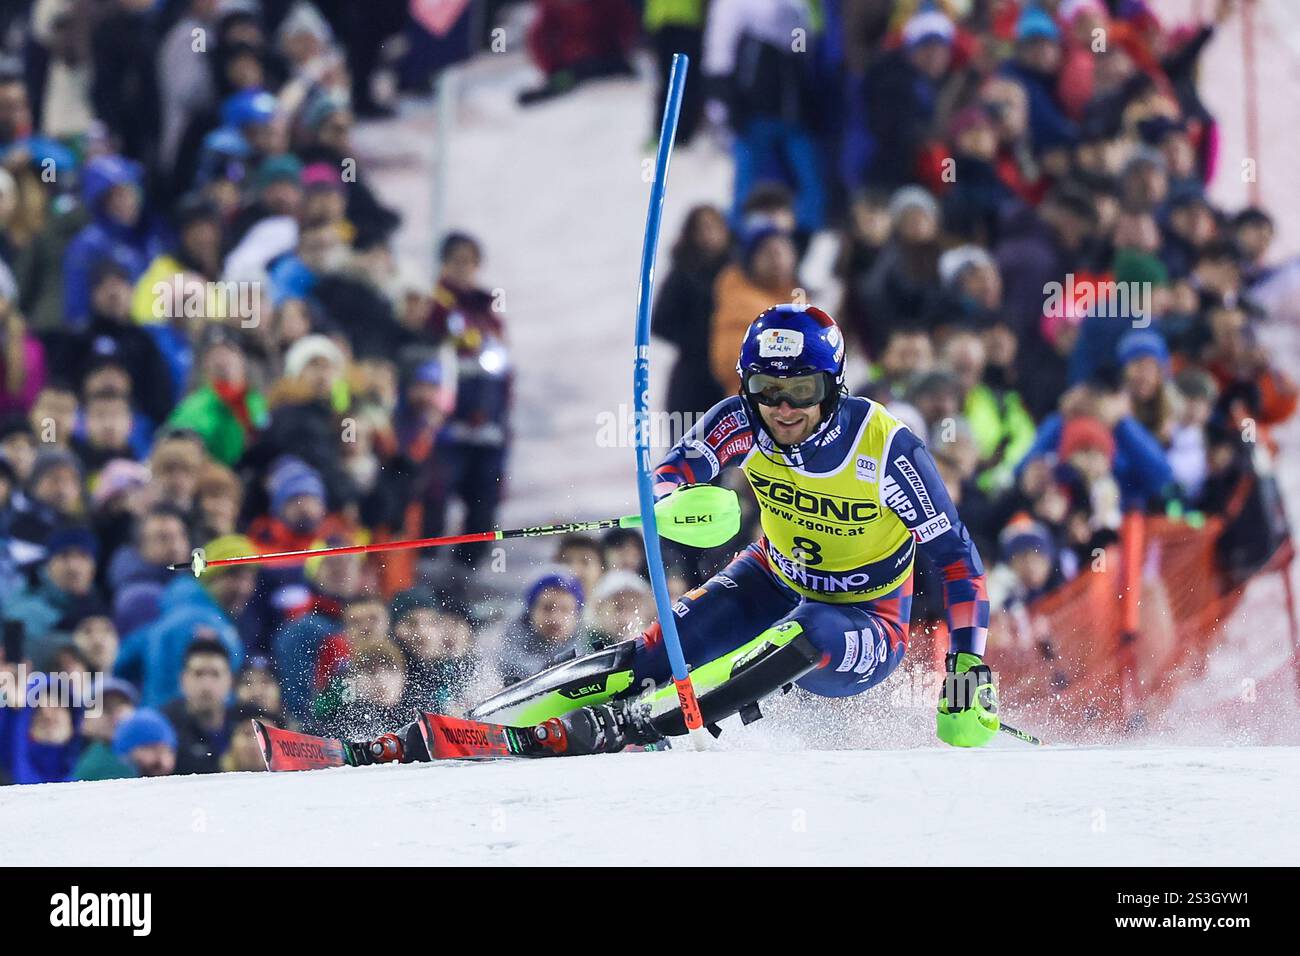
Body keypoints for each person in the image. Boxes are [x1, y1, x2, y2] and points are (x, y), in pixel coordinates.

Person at [344, 305, 996, 764]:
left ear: (834, 385)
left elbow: (957, 561)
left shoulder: (885, 449)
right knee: (654, 654)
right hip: (770, 580)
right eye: (768, 389)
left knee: (810, 634)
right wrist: (662, 497)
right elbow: (679, 468)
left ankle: (643, 726)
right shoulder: (740, 419)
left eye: (802, 389)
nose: (784, 408)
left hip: (863, 619)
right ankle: (466, 726)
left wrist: (968, 666)